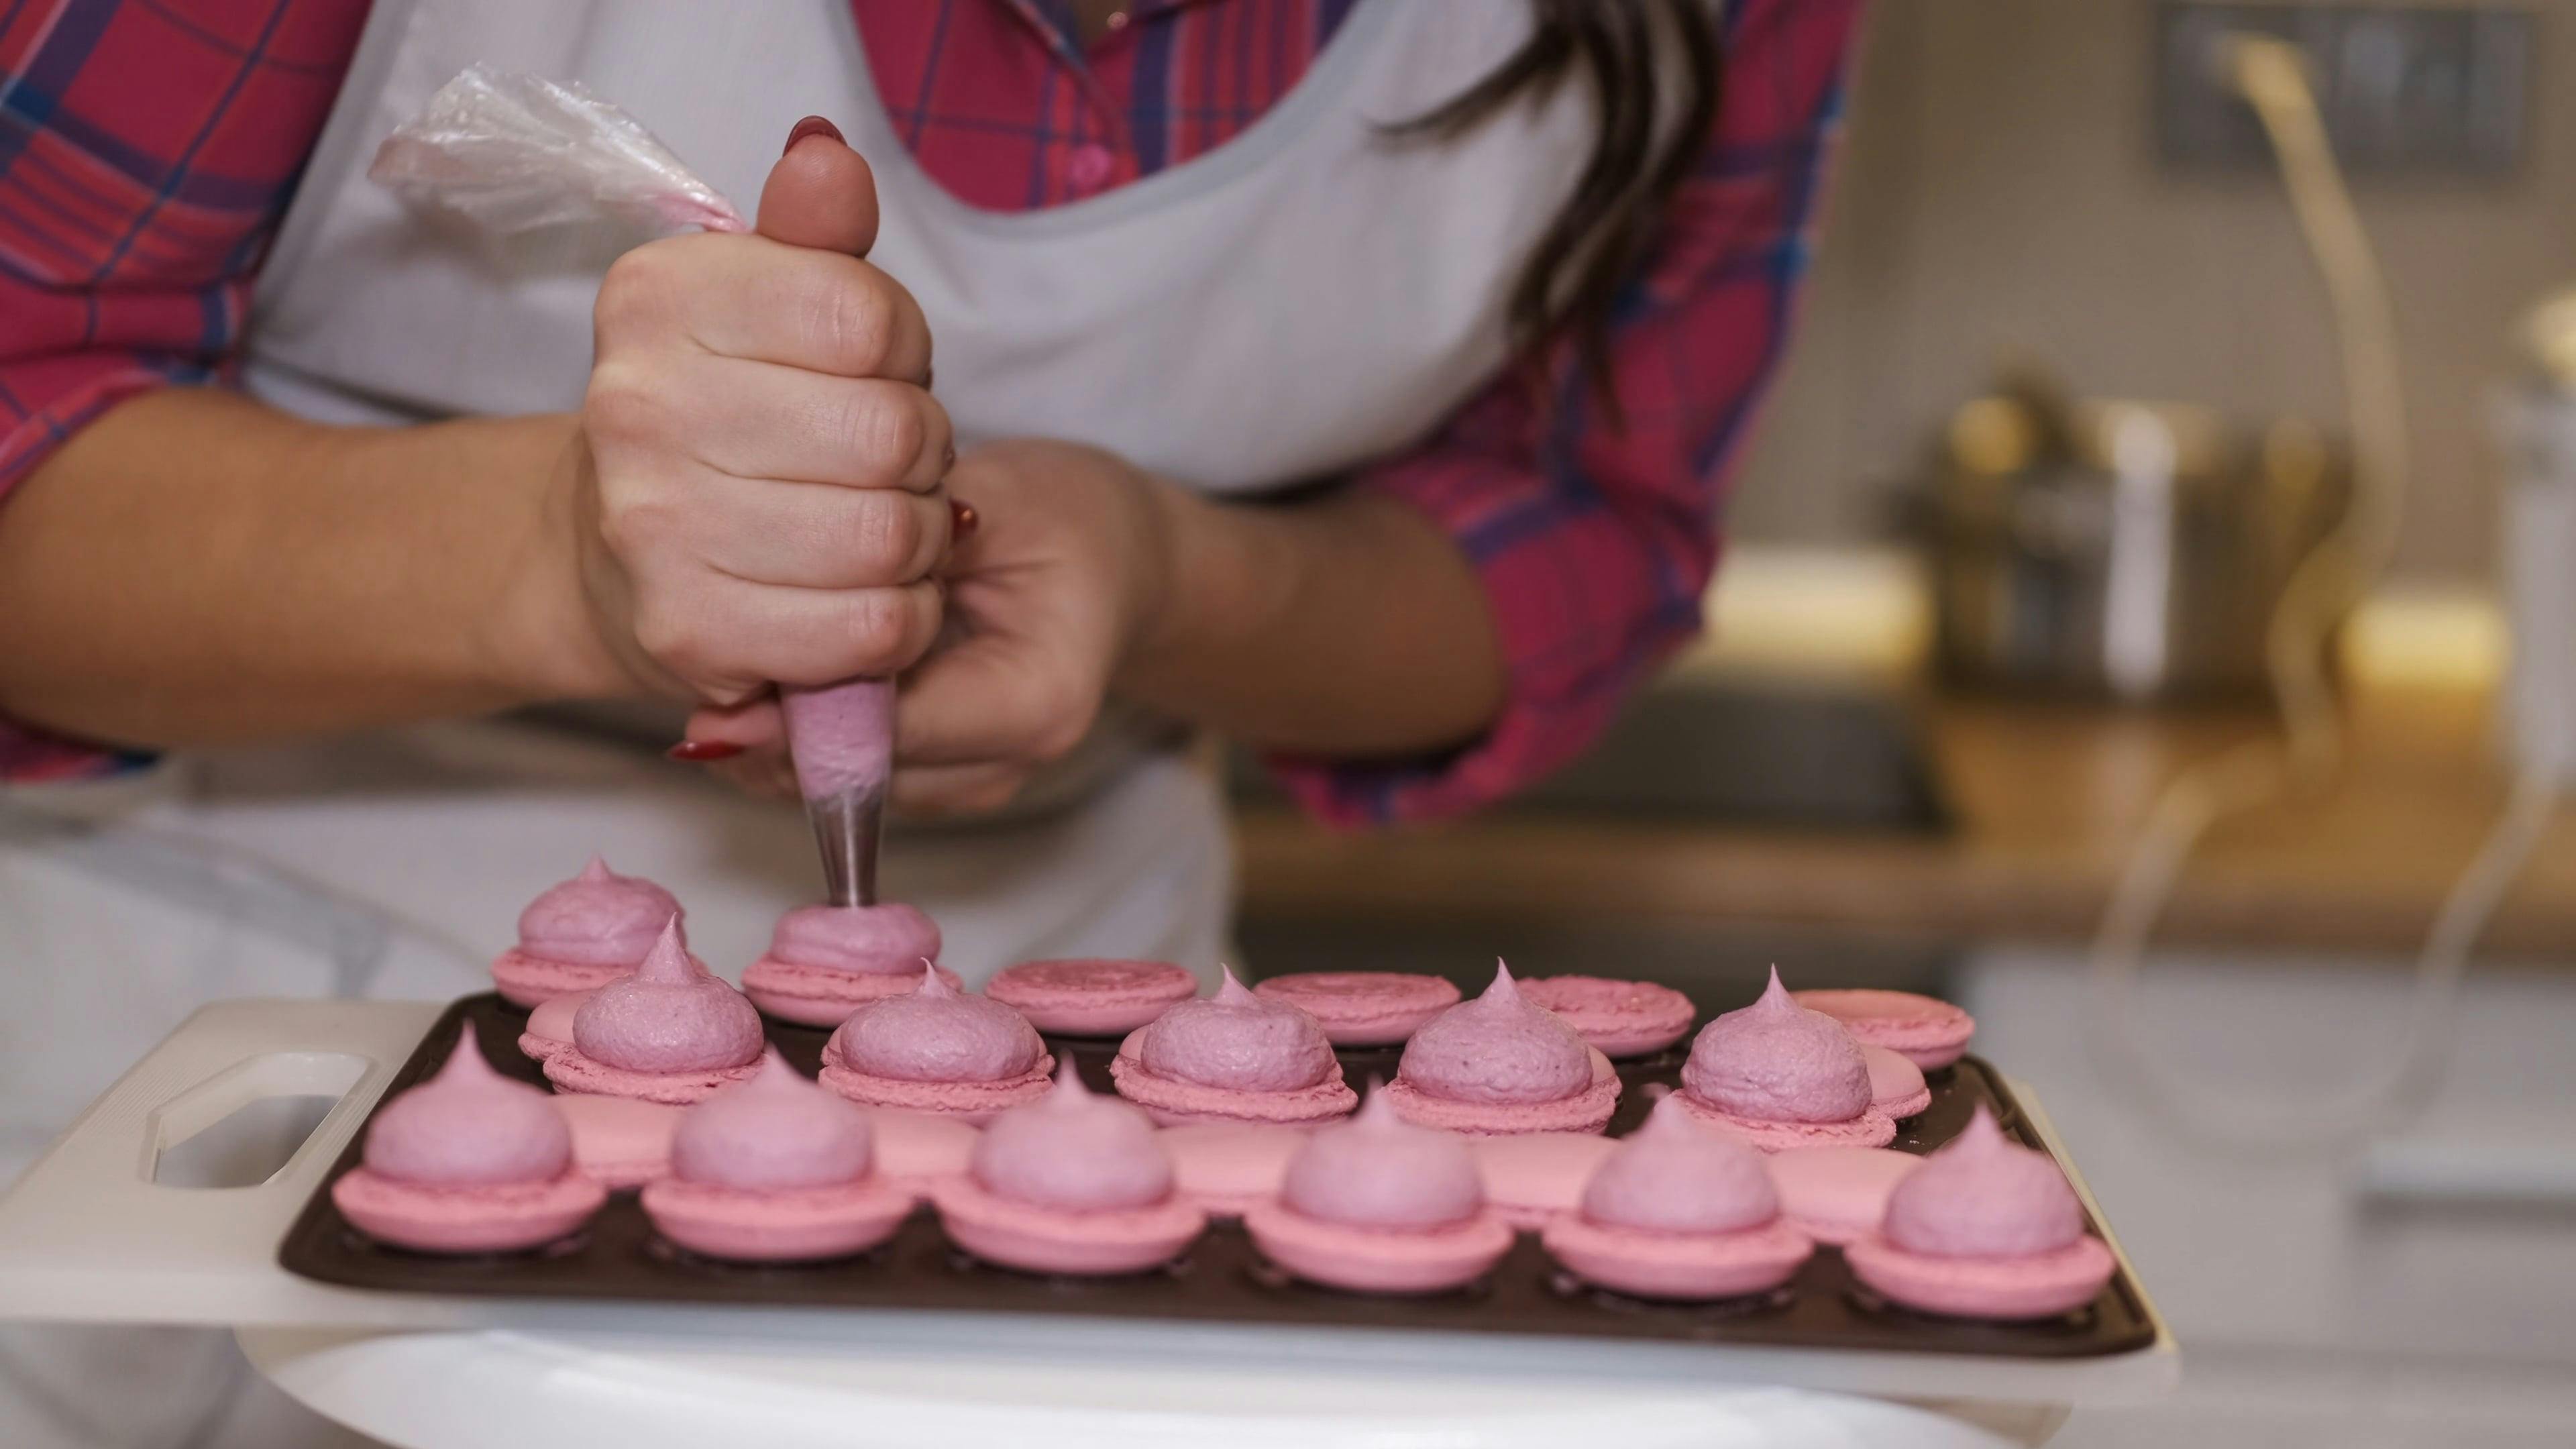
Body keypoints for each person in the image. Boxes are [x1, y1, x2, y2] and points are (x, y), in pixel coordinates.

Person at [0, 1, 1860, 1444]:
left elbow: (1578, 535)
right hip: (212, 1006)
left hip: (1093, 1060)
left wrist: (1175, 581)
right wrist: (553, 560)